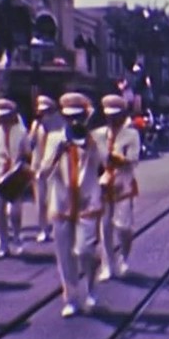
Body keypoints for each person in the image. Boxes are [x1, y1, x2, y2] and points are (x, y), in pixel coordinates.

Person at [39, 92, 105, 316]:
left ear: (85, 117)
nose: (74, 122)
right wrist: (56, 154)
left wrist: (91, 143)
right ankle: (71, 298)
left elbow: (105, 164)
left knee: (86, 250)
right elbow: (43, 173)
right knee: (65, 255)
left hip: (87, 203)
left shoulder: (95, 139)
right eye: (69, 118)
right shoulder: (54, 138)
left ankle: (91, 287)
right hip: (62, 204)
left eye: (78, 117)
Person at [92, 94, 142, 280]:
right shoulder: (98, 134)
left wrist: (114, 157)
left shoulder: (132, 135)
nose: (111, 119)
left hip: (123, 185)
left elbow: (133, 160)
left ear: (122, 115)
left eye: (115, 115)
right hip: (104, 186)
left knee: (123, 227)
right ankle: (107, 265)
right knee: (104, 227)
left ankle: (123, 259)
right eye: (108, 115)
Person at [0, 98, 30, 257]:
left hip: (14, 175)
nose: (2, 120)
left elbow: (27, 154)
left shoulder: (21, 132)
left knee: (14, 211)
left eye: (6, 116)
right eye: (0, 117)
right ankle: (2, 243)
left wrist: (23, 168)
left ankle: (17, 237)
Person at [29, 95, 67, 243]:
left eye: (46, 111)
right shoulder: (36, 125)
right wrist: (35, 129)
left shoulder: (60, 123)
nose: (44, 114)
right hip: (38, 166)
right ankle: (43, 228)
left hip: (54, 167)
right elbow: (29, 144)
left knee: (54, 199)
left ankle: (57, 226)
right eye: (41, 112)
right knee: (40, 200)